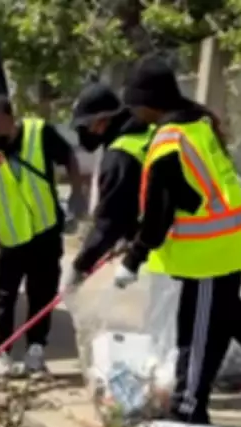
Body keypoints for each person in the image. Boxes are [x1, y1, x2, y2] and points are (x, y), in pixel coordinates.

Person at [114, 56, 241, 424]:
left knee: (198, 339)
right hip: (222, 246)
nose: (134, 112)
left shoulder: (168, 144)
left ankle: (189, 411)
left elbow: (161, 216)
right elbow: (192, 195)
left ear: (149, 103)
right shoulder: (198, 125)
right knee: (204, 331)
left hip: (210, 253)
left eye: (135, 104)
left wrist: (133, 259)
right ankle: (190, 404)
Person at [0, 94, 83, 375]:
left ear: (10, 120)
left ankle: (36, 350)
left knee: (41, 296)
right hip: (9, 240)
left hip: (45, 235)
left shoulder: (40, 134)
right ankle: (1, 354)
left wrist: (79, 194)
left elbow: (70, 157)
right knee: (3, 299)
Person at [60, 82, 153, 286]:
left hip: (178, 253)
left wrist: (78, 270)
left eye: (84, 127)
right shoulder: (151, 131)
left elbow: (107, 225)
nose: (82, 135)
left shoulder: (121, 156)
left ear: (101, 122)